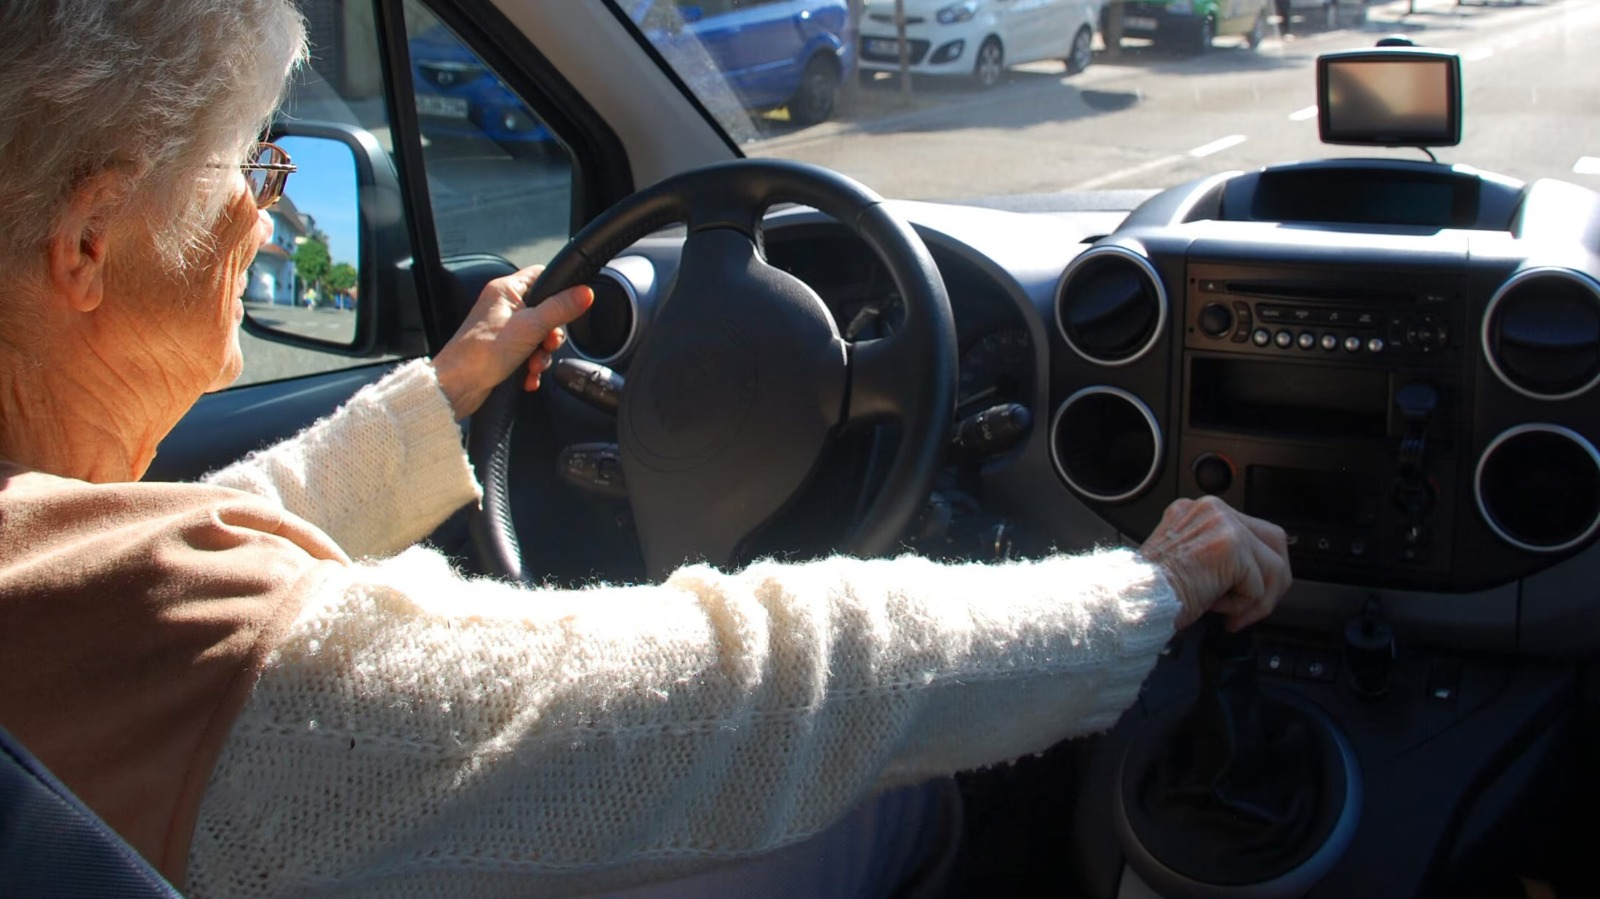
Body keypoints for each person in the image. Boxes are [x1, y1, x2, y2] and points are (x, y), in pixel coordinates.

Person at [0, 2, 1292, 897]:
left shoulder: (58, 566)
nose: (269, 218)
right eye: (251, 170)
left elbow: (202, 551)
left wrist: (439, 399)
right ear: (91, 242)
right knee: (893, 796)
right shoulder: (171, 640)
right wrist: (1147, 588)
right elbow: (746, 689)